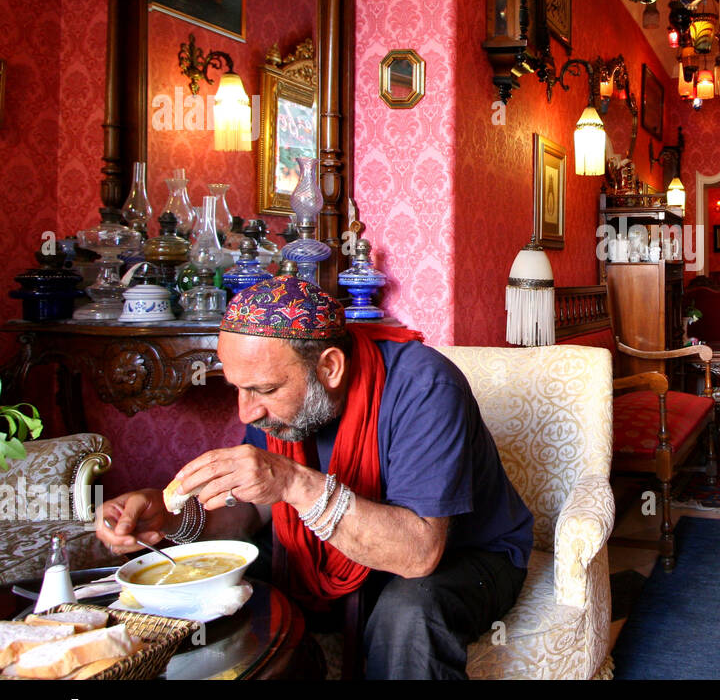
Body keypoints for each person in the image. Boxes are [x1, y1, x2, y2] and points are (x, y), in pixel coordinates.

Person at [95, 275, 534, 679]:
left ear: (330, 368)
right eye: (237, 389)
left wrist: (291, 482)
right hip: (328, 540)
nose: (246, 412)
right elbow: (253, 513)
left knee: (410, 614)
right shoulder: (271, 404)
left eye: (264, 391)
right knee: (216, 581)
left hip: (465, 552)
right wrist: (168, 520)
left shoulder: (425, 388)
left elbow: (418, 554)